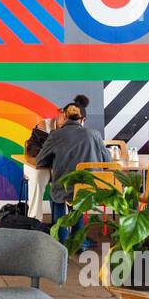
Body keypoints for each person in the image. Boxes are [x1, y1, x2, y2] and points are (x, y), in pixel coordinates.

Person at [35, 96, 107, 239]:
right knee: (79, 196)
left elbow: (40, 161)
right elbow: (107, 161)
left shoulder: (55, 135)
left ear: (65, 118)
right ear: (83, 120)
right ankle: (79, 241)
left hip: (64, 189)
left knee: (56, 195)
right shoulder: (95, 134)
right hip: (89, 189)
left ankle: (60, 240)